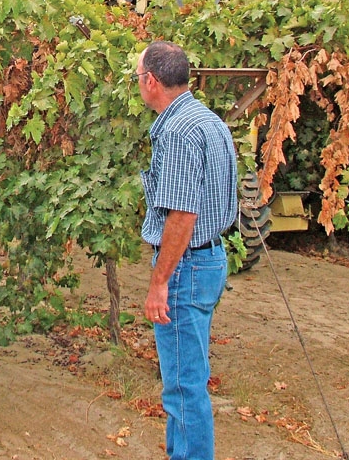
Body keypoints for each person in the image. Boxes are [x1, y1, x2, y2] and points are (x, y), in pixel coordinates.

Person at [134, 41, 237, 460]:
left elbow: (182, 215)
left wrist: (160, 281)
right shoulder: (208, 121)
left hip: (186, 267)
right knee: (187, 377)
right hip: (210, 260)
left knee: (183, 386)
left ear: (151, 82)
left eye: (137, 78)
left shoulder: (176, 132)